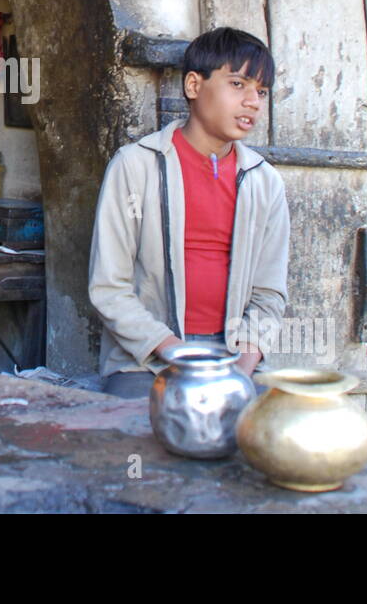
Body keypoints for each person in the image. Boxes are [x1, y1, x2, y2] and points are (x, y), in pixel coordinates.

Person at [88, 27, 290, 399]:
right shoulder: (136, 166)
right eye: (238, 84)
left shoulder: (264, 182)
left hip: (232, 355)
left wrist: (240, 372)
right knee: (142, 432)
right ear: (194, 86)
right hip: (147, 360)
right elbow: (108, 288)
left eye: (260, 91)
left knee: (265, 438)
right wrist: (174, 352)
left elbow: (268, 294)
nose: (253, 102)